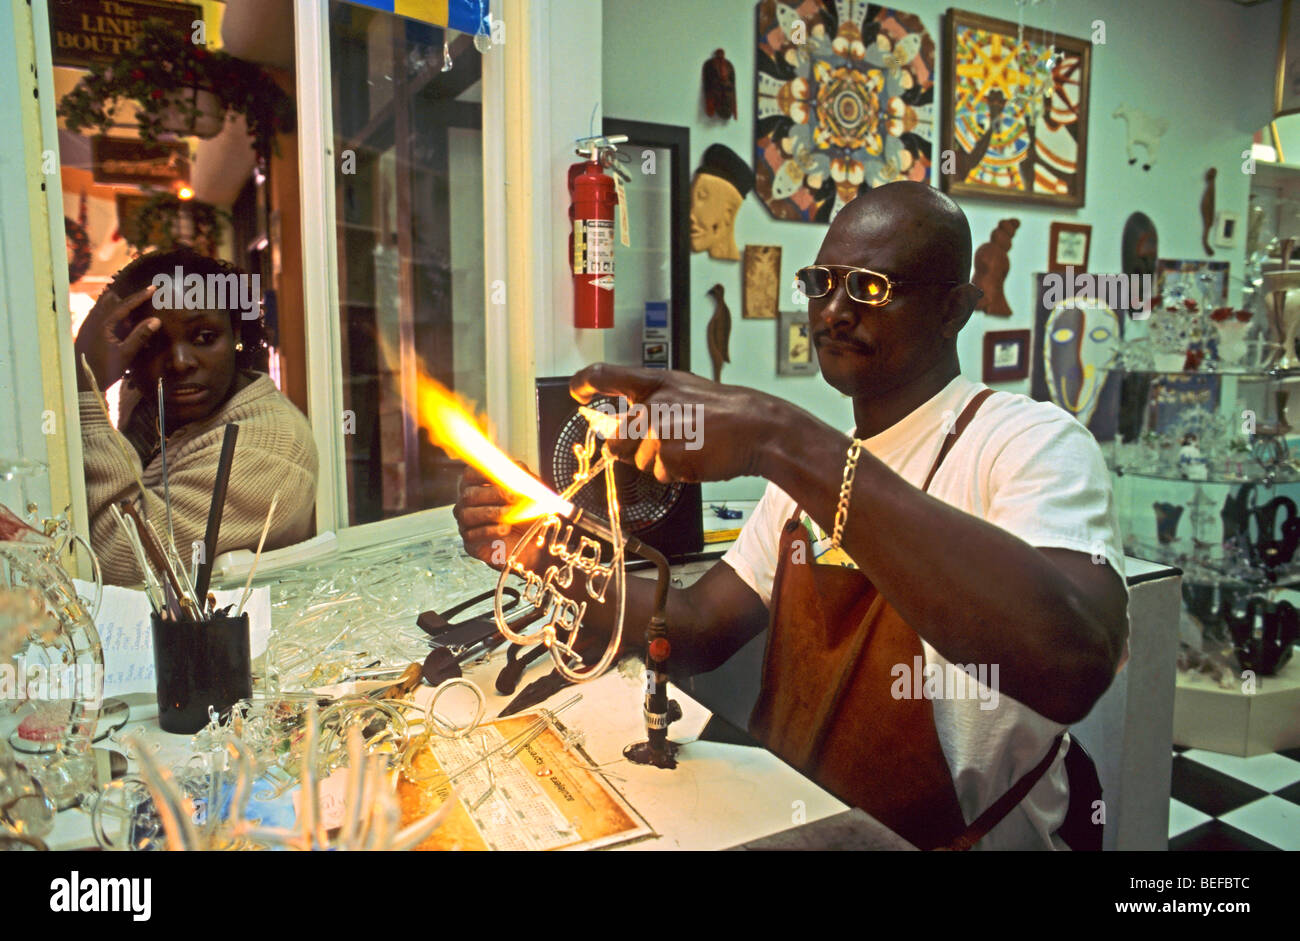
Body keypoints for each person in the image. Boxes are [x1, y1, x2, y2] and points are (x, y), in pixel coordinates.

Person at [455, 181, 1129, 851]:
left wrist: (777, 438)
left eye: (870, 287)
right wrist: (542, 551)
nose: (833, 311)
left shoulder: (1026, 443)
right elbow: (695, 627)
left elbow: (1071, 665)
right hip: (809, 827)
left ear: (954, 309)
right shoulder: (809, 472)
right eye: (820, 283)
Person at [76, 247, 318, 586]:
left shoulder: (270, 451)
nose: (179, 362)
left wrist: (83, 385)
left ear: (235, 332)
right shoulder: (147, 400)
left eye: (204, 337)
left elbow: (116, 556)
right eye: (151, 343)